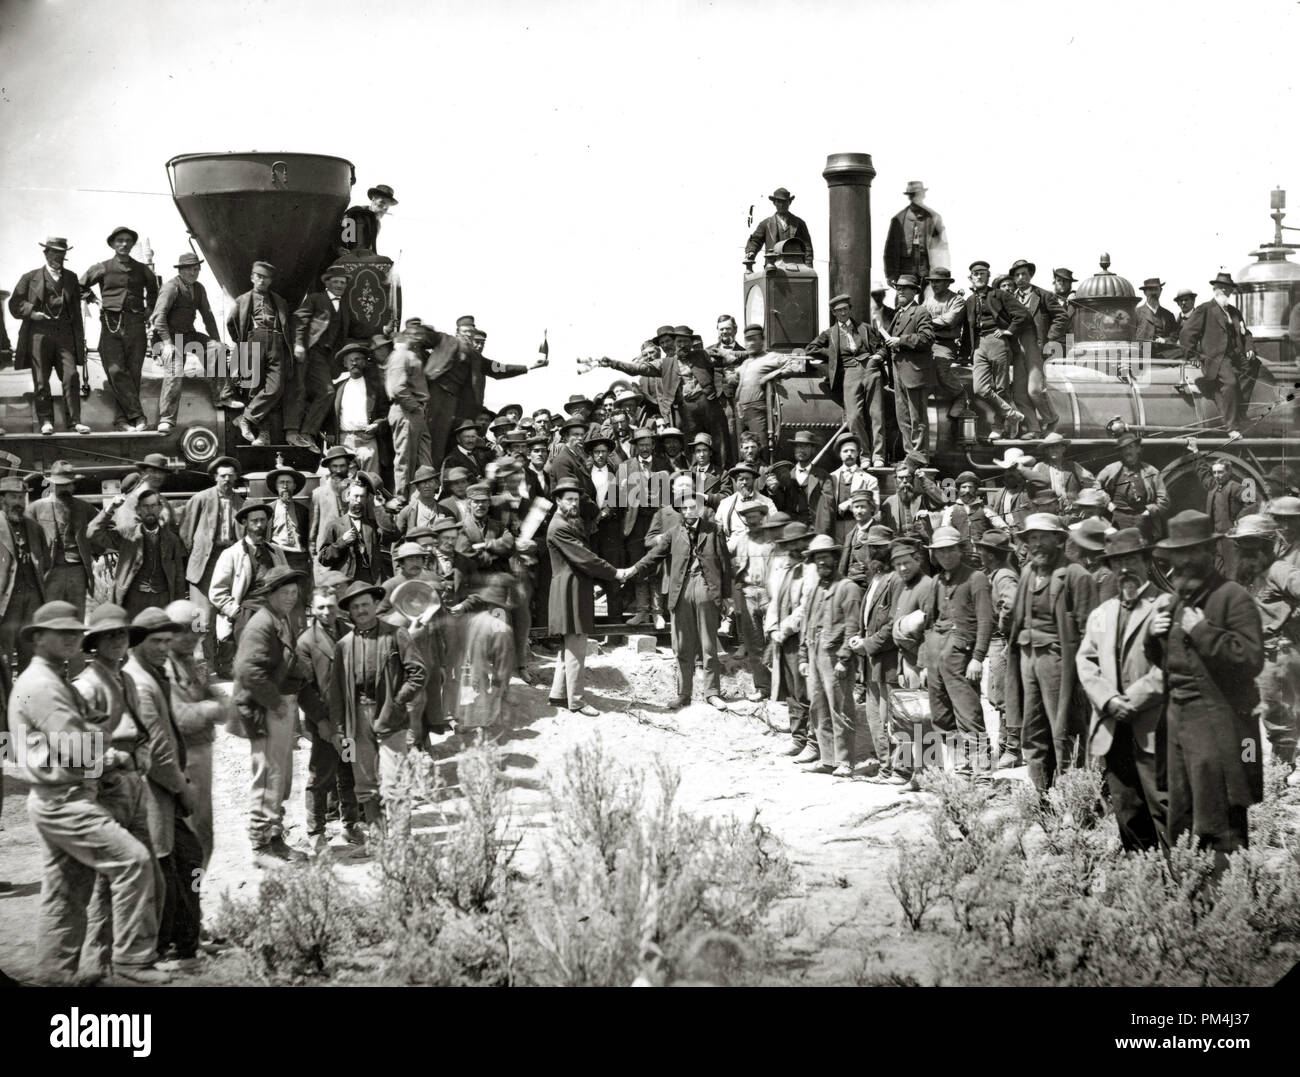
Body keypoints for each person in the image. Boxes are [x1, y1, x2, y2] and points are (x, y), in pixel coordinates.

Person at [10, 602, 170, 985]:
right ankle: (131, 960)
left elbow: (91, 736)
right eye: (61, 632)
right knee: (133, 861)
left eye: (73, 632)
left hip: (62, 794)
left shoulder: (54, 680)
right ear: (37, 638)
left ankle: (54, 976)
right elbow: (83, 748)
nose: (70, 638)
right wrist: (110, 749)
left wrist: (104, 740)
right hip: (65, 797)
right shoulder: (45, 686)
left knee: (65, 894)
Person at [1145, 510, 1264, 868]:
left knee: (1221, 819)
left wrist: (1203, 632)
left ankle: (1227, 907)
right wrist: (1154, 638)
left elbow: (1251, 658)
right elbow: (1167, 665)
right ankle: (1190, 904)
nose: (1182, 561)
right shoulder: (1175, 601)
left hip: (1222, 727)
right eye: (1176, 554)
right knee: (1181, 816)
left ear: (1208, 552)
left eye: (1190, 552)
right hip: (1179, 724)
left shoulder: (1232, 597)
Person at [72, 603, 167, 979]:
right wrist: (107, 764)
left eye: (122, 635)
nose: (117, 641)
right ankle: (95, 965)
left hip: (134, 787)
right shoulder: (85, 686)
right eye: (109, 635)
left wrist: (141, 754)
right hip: (104, 789)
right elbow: (77, 746)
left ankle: (135, 959)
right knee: (102, 882)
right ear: (94, 642)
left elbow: (141, 730)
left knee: (145, 875)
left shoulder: (126, 680)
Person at [1075, 527, 1169, 852]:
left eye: (1131, 559)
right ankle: (1139, 884)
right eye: (1117, 562)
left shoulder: (1166, 605)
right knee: (1127, 811)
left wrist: (1134, 700)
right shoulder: (1102, 613)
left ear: (1146, 560)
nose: (1125, 569)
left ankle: (1177, 886)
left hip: (1155, 726)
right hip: (1113, 725)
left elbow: (1173, 666)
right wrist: (1109, 699)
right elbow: (1085, 662)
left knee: (1164, 809)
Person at [124, 607, 204, 971]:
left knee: (187, 861)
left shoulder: (155, 674)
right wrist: (182, 788)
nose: (163, 648)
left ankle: (187, 942)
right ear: (136, 643)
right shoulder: (140, 683)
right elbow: (157, 752)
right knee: (166, 869)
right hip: (155, 792)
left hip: (165, 789)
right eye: (155, 641)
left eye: (167, 641)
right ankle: (163, 949)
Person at [1004, 513, 1096, 793]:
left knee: (1065, 730)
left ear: (1059, 540)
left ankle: (1074, 800)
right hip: (1027, 659)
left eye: (1044, 536)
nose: (1037, 543)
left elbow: (1088, 629)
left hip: (1059, 661)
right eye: (1032, 538)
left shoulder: (1076, 574)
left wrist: (1082, 676)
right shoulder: (1028, 572)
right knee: (1032, 730)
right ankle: (1041, 795)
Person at [328, 580, 426, 836]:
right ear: (349, 612)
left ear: (375, 605)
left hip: (390, 717)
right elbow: (336, 692)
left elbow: (418, 673)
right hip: (356, 720)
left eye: (365, 605)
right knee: (365, 783)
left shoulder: (396, 635)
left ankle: (402, 841)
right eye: (356, 607)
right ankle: (378, 840)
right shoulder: (343, 645)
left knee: (394, 781)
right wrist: (339, 730)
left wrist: (397, 701)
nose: (361, 610)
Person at [232, 565, 312, 863]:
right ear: (271, 594)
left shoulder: (279, 619)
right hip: (263, 710)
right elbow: (247, 670)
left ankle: (275, 839)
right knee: (267, 778)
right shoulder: (261, 623)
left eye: (294, 592)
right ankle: (261, 847)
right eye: (285, 592)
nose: (291, 597)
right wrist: (276, 703)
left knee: (279, 777)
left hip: (276, 709)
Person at [547, 481, 633, 714]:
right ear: (558, 501)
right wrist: (615, 573)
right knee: (576, 646)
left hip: (573, 588)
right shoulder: (559, 527)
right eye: (569, 500)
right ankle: (576, 700)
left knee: (569, 646)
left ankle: (558, 694)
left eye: (576, 500)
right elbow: (585, 558)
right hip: (570, 591)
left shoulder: (564, 522)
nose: (574, 504)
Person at [1228, 514, 1300, 774]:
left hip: (1275, 654)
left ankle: (1280, 778)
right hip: (1248, 654)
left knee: (1278, 721)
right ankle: (1250, 771)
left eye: (1253, 544)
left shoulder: (1279, 570)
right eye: (1241, 544)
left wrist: (1292, 616)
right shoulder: (1244, 572)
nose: (1245, 550)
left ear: (1267, 545)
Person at [163, 598, 230, 870]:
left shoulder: (190, 663)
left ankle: (193, 899)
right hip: (183, 759)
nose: (192, 636)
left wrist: (212, 707)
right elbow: (180, 717)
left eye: (197, 630)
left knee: (203, 833)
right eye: (183, 630)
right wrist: (211, 708)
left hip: (201, 754)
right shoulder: (164, 668)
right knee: (190, 836)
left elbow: (225, 709)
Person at [922, 526, 994, 777]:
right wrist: (925, 662)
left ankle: (983, 772)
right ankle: (963, 766)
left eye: (951, 549)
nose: (946, 555)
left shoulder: (976, 579)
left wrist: (977, 658)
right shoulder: (936, 581)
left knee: (969, 713)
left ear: (960, 550)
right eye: (940, 551)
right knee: (941, 715)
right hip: (936, 655)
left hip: (961, 657)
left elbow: (986, 621)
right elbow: (929, 622)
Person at [296, 585, 363, 854]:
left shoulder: (350, 632)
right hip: (324, 722)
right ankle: (316, 832)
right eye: (321, 606)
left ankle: (350, 824)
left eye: (331, 606)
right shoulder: (306, 642)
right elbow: (304, 688)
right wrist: (322, 723)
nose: (327, 612)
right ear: (312, 609)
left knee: (348, 772)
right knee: (320, 777)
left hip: (348, 720)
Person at [80, 226, 159, 433]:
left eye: (128, 241)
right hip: (110, 325)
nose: (124, 244)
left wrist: (149, 310)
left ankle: (121, 421)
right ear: (113, 244)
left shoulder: (143, 269)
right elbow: (79, 285)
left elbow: (154, 291)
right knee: (115, 371)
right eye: (119, 241)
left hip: (136, 326)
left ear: (132, 244)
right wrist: (93, 299)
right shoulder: (102, 267)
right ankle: (138, 416)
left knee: (132, 376)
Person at [9, 236, 90, 435]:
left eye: (61, 252)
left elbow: (77, 312)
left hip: (64, 335)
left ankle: (75, 422)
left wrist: (80, 341)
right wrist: (31, 312)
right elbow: (14, 303)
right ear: (46, 253)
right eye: (53, 251)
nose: (58, 256)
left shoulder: (71, 277)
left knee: (71, 376)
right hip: (39, 334)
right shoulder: (30, 277)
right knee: (41, 379)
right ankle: (46, 421)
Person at [151, 251, 239, 432]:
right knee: (175, 369)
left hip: (188, 335)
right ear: (181, 270)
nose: (194, 273)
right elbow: (158, 318)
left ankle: (222, 396)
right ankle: (166, 418)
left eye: (197, 269)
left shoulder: (198, 288)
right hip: (167, 338)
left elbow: (207, 316)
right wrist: (166, 344)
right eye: (190, 269)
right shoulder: (170, 288)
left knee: (216, 348)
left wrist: (217, 341)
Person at [797, 534, 862, 777]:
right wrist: (803, 657)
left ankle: (845, 761)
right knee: (818, 707)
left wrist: (845, 658)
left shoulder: (848, 588)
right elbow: (806, 624)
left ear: (835, 558)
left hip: (835, 657)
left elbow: (852, 627)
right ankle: (828, 758)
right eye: (818, 560)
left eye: (826, 558)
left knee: (841, 708)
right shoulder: (814, 590)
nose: (822, 563)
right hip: (814, 656)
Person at [176, 456, 243, 669]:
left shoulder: (241, 503)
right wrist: (197, 555)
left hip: (229, 563)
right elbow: (185, 533)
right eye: (223, 476)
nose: (227, 480)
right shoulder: (201, 499)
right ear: (215, 477)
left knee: (227, 616)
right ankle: (202, 665)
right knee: (200, 618)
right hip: (204, 563)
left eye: (231, 476)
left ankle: (224, 664)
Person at [805, 297, 887, 466]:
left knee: (876, 414)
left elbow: (882, 346)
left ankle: (878, 456)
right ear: (834, 313)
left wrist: (878, 357)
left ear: (850, 309)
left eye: (845, 309)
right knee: (854, 416)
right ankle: (864, 455)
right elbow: (811, 349)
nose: (842, 313)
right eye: (838, 310)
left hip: (870, 368)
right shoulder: (830, 333)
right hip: (849, 372)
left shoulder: (864, 328)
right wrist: (833, 353)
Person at [1178, 272, 1255, 440]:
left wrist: (1250, 348)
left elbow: (1246, 333)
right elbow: (1186, 334)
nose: (1225, 292)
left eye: (1228, 289)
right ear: (1215, 289)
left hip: (1235, 355)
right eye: (1221, 288)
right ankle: (1232, 426)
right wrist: (1192, 357)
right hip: (1216, 357)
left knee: (1255, 367)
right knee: (1230, 382)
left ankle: (1240, 409)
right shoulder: (1205, 309)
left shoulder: (1234, 312)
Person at [88, 487, 186, 619]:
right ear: (138, 511)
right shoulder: (128, 535)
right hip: (134, 598)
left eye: (153, 506)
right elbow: (92, 533)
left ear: (159, 509)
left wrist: (178, 606)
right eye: (145, 507)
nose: (150, 510)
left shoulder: (171, 539)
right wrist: (109, 509)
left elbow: (178, 575)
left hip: (162, 598)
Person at [846, 524, 896, 776]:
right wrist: (859, 638)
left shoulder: (895, 579)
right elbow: (870, 620)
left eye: (880, 548)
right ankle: (886, 768)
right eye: (871, 548)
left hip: (891, 661)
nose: (874, 553)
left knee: (896, 719)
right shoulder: (874, 578)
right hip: (871, 662)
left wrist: (868, 644)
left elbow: (892, 624)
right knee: (875, 718)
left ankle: (903, 769)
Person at [762, 519, 814, 756]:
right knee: (792, 690)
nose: (794, 548)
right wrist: (772, 628)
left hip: (803, 637)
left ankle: (812, 741)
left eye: (798, 543)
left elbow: (806, 607)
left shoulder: (811, 570)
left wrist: (785, 629)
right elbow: (775, 601)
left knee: (806, 690)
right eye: (790, 544)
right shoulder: (786, 568)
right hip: (784, 639)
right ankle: (797, 736)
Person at [960, 262, 1028, 440]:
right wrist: (963, 354)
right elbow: (967, 330)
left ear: (988, 276)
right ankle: (1011, 414)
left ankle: (998, 427)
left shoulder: (999, 295)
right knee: (980, 388)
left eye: (983, 273)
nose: (979, 276)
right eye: (976, 273)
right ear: (971, 277)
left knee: (1001, 388)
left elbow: (1022, 314)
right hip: (979, 345)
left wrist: (1009, 330)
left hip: (997, 341)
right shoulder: (970, 301)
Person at [230, 261, 294, 448]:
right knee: (254, 388)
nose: (262, 280)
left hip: (276, 342)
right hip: (254, 341)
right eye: (259, 276)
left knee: (276, 387)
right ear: (252, 278)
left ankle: (246, 417)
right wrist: (243, 343)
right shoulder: (242, 300)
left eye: (266, 278)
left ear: (271, 281)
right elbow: (231, 323)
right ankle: (263, 435)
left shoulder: (279, 301)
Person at [291, 265, 355, 451]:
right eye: (335, 282)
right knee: (327, 392)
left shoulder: (344, 305)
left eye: (342, 283)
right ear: (327, 283)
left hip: (328, 358)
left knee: (326, 393)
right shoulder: (315, 299)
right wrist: (299, 344)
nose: (339, 285)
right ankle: (307, 433)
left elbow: (349, 331)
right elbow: (299, 320)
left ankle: (317, 433)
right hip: (312, 353)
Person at [209, 501, 288, 649]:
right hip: (246, 615)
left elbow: (287, 582)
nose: (259, 525)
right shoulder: (231, 554)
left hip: (274, 613)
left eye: (263, 520)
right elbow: (217, 592)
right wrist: (237, 613)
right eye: (254, 521)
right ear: (245, 523)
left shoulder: (276, 552)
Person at [975, 531, 1022, 768]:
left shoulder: (1003, 576)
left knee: (1006, 696)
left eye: (982, 550)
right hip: (999, 641)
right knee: (998, 695)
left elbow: (1011, 605)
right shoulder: (997, 574)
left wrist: (1004, 628)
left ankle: (1014, 749)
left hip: (1002, 641)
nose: (979, 553)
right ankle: (1005, 746)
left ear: (991, 555)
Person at [26, 460, 94, 616]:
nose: (64, 488)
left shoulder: (84, 508)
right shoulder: (35, 508)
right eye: (60, 485)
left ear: (73, 485)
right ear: (51, 485)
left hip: (77, 572)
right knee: (49, 616)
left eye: (68, 484)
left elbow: (101, 529)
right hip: (50, 571)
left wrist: (94, 551)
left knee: (76, 616)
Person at [1007, 259, 1067, 434]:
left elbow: (1061, 316)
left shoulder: (1043, 295)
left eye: (1024, 274)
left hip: (1035, 346)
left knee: (1034, 390)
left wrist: (1050, 338)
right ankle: (1033, 428)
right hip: (1017, 348)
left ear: (1030, 275)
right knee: (1019, 394)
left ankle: (1051, 419)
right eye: (1017, 275)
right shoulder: (1010, 298)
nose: (1021, 278)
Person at [882, 275, 935, 458]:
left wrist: (900, 340)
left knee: (917, 418)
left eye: (906, 288)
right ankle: (910, 455)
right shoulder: (899, 313)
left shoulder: (920, 312)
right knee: (903, 417)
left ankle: (919, 456)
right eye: (898, 288)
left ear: (915, 292)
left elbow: (927, 338)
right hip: (898, 372)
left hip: (914, 373)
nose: (901, 291)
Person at [728, 499, 776, 702]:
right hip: (748, 594)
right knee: (754, 644)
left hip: (769, 595)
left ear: (762, 518)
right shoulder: (740, 540)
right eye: (748, 520)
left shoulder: (773, 540)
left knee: (774, 642)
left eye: (755, 520)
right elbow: (722, 555)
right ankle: (763, 687)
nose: (752, 524)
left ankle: (780, 688)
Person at [456, 575, 516, 734]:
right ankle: (481, 718)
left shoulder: (498, 617)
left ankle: (485, 719)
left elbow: (502, 656)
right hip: (484, 640)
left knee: (491, 683)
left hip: (493, 638)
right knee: (481, 683)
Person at [733, 323, 802, 456]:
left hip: (757, 409)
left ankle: (764, 475)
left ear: (762, 340)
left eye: (754, 339)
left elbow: (796, 365)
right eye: (747, 340)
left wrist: (773, 375)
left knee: (760, 447)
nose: (750, 343)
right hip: (740, 411)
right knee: (742, 450)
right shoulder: (746, 362)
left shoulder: (771, 357)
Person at [1095, 431, 1169, 544]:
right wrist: (1108, 504)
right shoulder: (1111, 469)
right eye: (1124, 449)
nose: (1127, 451)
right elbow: (1095, 486)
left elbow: (1164, 500)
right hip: (1117, 520)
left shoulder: (1151, 471)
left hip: (1142, 520)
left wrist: (1148, 512)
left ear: (1138, 449)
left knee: (1143, 549)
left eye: (1131, 447)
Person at [1188, 439, 1247, 578]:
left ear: (1229, 472)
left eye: (1220, 472)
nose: (1216, 476)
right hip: (1216, 538)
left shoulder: (1235, 487)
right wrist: (1196, 451)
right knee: (1218, 572)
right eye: (1214, 473)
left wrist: (1239, 521)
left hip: (1230, 538)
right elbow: (1203, 472)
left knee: (1233, 572)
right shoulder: (1214, 485)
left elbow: (1254, 501)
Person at [317, 478, 391, 584]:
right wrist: (342, 542)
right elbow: (323, 559)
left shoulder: (373, 525)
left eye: (362, 496)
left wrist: (379, 507)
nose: (359, 500)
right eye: (356, 496)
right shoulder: (335, 526)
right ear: (347, 497)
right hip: (346, 580)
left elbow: (392, 535)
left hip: (370, 579)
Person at [385, 330, 433, 493]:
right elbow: (398, 387)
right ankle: (402, 500)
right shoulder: (401, 355)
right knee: (405, 460)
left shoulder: (409, 355)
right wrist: (415, 407)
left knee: (423, 459)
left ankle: (418, 499)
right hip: (407, 410)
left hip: (415, 411)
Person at [332, 342, 388, 474]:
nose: (354, 363)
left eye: (357, 359)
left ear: (364, 362)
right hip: (344, 440)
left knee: (370, 481)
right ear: (345, 364)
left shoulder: (376, 388)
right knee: (345, 481)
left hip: (367, 440)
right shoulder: (338, 388)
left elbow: (386, 412)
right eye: (350, 360)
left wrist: (377, 424)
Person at [265, 463, 310, 623]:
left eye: (288, 482)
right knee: (279, 601)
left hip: (299, 560)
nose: (285, 486)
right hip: (278, 559)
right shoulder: (268, 510)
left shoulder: (303, 511)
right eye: (281, 483)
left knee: (298, 604)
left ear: (294, 486)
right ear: (276, 487)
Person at [884, 181, 946, 287]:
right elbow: (890, 249)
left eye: (919, 195)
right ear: (909, 197)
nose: (916, 198)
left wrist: (942, 274)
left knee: (928, 299)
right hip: (905, 269)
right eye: (912, 195)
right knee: (904, 298)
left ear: (923, 195)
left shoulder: (933, 218)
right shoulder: (898, 219)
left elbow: (941, 248)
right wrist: (889, 275)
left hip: (927, 267)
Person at [923, 268, 970, 403]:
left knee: (940, 369)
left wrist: (924, 324)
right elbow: (917, 319)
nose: (934, 284)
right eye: (932, 281)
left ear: (948, 283)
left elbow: (948, 321)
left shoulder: (957, 300)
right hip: (926, 343)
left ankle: (961, 395)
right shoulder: (928, 300)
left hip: (945, 344)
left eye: (938, 281)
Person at [825, 434, 880, 545]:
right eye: (845, 451)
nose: (849, 454)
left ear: (858, 453)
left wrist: (850, 503)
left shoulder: (869, 479)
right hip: (836, 526)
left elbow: (875, 505)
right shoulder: (831, 478)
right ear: (840, 454)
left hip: (858, 525)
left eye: (852, 451)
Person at [744, 187, 814, 271]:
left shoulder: (800, 223)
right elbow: (755, 240)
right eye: (779, 202)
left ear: (789, 202)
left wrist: (808, 269)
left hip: (796, 270)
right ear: (774, 203)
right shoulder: (765, 224)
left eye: (785, 202)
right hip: (773, 269)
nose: (782, 205)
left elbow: (807, 248)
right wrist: (751, 251)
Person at [1037, 432, 1096, 504]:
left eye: (1057, 446)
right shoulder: (1039, 467)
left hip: (1070, 509)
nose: (1054, 450)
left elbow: (1092, 483)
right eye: (1050, 447)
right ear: (1046, 451)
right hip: (1047, 508)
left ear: (1063, 449)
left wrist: (1083, 498)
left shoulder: (1073, 466)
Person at [340, 183, 396, 254]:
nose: (384, 207)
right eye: (382, 202)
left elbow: (370, 248)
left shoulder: (377, 224)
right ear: (373, 199)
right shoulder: (357, 212)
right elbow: (340, 236)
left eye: (387, 205)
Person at [1132, 277, 1179, 352]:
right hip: (1142, 354)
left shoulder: (1168, 315)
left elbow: (1174, 335)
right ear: (1145, 292)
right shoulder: (1136, 313)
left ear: (1161, 291)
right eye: (1150, 290)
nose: (1153, 293)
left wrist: (1165, 340)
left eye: (1156, 289)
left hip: (1165, 354)